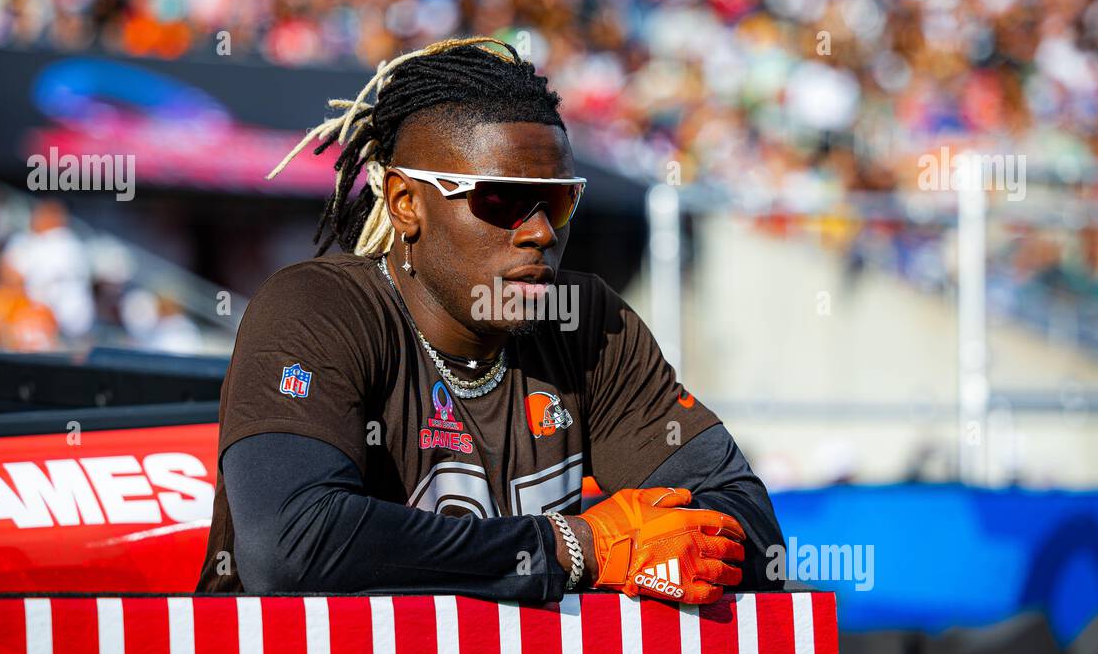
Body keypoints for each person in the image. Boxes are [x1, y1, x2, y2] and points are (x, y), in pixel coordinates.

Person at [197, 36, 782, 602]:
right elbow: (290, 546)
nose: (539, 232)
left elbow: (752, 533)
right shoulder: (317, 311)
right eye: (499, 200)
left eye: (557, 201)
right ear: (406, 203)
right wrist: (576, 547)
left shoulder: (587, 322)